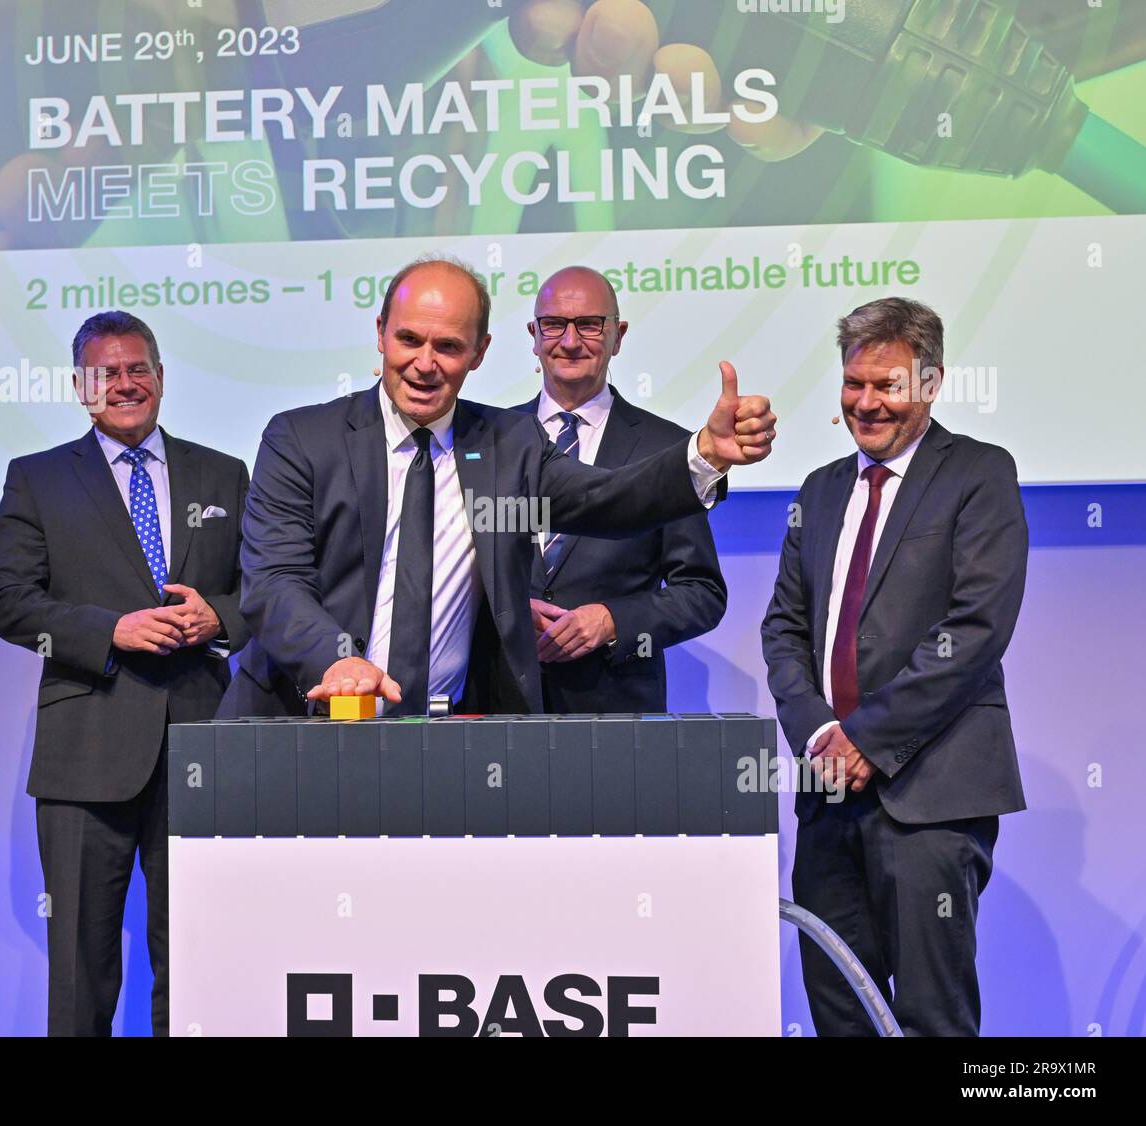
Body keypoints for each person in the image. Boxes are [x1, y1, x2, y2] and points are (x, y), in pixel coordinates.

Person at [218, 255, 773, 718]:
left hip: (451, 740)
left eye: (449, 347)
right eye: (409, 339)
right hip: (302, 726)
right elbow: (274, 581)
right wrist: (336, 659)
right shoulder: (300, 438)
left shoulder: (507, 443)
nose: (425, 364)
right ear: (380, 334)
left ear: (480, 353)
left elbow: (607, 499)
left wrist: (701, 457)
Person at [760, 297, 1027, 1037]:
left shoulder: (979, 474)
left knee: (932, 1017)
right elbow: (784, 628)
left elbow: (975, 631)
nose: (866, 403)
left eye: (888, 386)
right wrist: (819, 736)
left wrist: (868, 742)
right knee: (839, 1012)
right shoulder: (817, 490)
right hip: (828, 799)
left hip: (931, 800)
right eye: (853, 384)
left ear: (932, 383)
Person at [0, 311, 250, 1036]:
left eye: (139, 369)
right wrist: (112, 629)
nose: (125, 384)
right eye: (106, 373)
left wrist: (218, 617)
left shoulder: (224, 472)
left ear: (161, 379)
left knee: (196, 957)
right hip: (85, 752)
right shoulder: (36, 480)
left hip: (200, 746)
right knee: (81, 968)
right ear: (80, 387)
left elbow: (264, 590)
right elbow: (8, 603)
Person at [514, 266, 726, 712]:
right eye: (554, 325)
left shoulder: (668, 449)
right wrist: (510, 614)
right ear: (534, 335)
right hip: (504, 705)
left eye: (590, 324)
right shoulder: (490, 441)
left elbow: (702, 593)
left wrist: (613, 621)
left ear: (618, 335)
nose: (570, 342)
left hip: (617, 715)